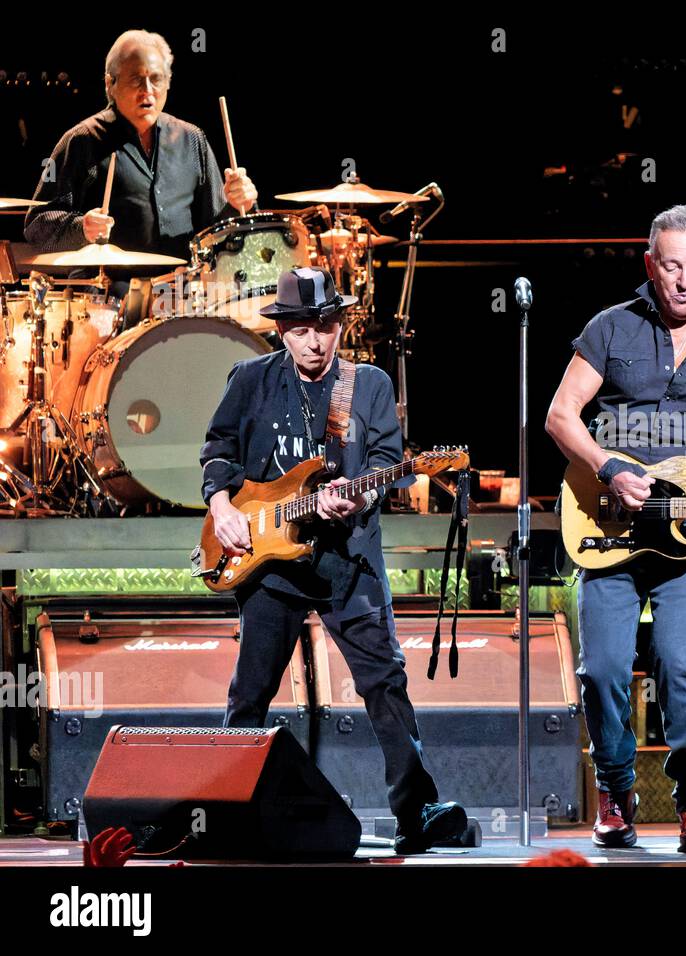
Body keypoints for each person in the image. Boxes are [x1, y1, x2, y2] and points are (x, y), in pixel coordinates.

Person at [200, 266, 466, 853]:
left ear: (341, 325)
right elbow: (218, 448)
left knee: (385, 682)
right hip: (271, 564)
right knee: (251, 691)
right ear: (281, 331)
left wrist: (360, 495)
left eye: (324, 328)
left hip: (349, 562)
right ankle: (225, 813)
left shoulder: (366, 385)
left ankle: (415, 812)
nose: (314, 342)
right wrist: (221, 507)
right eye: (300, 330)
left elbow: (386, 462)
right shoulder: (250, 379)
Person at [545, 205, 686, 852]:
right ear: (651, 263)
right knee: (603, 669)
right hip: (606, 520)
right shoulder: (611, 326)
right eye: (671, 266)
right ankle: (616, 791)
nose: (684, 280)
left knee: (679, 662)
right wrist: (610, 468)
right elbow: (561, 416)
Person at [23, 29, 257, 276]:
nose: (147, 90)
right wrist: (82, 228)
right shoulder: (83, 141)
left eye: (156, 79)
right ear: (110, 84)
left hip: (182, 289)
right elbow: (36, 225)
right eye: (136, 79)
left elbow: (215, 228)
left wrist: (238, 204)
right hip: (109, 291)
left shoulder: (192, 139)